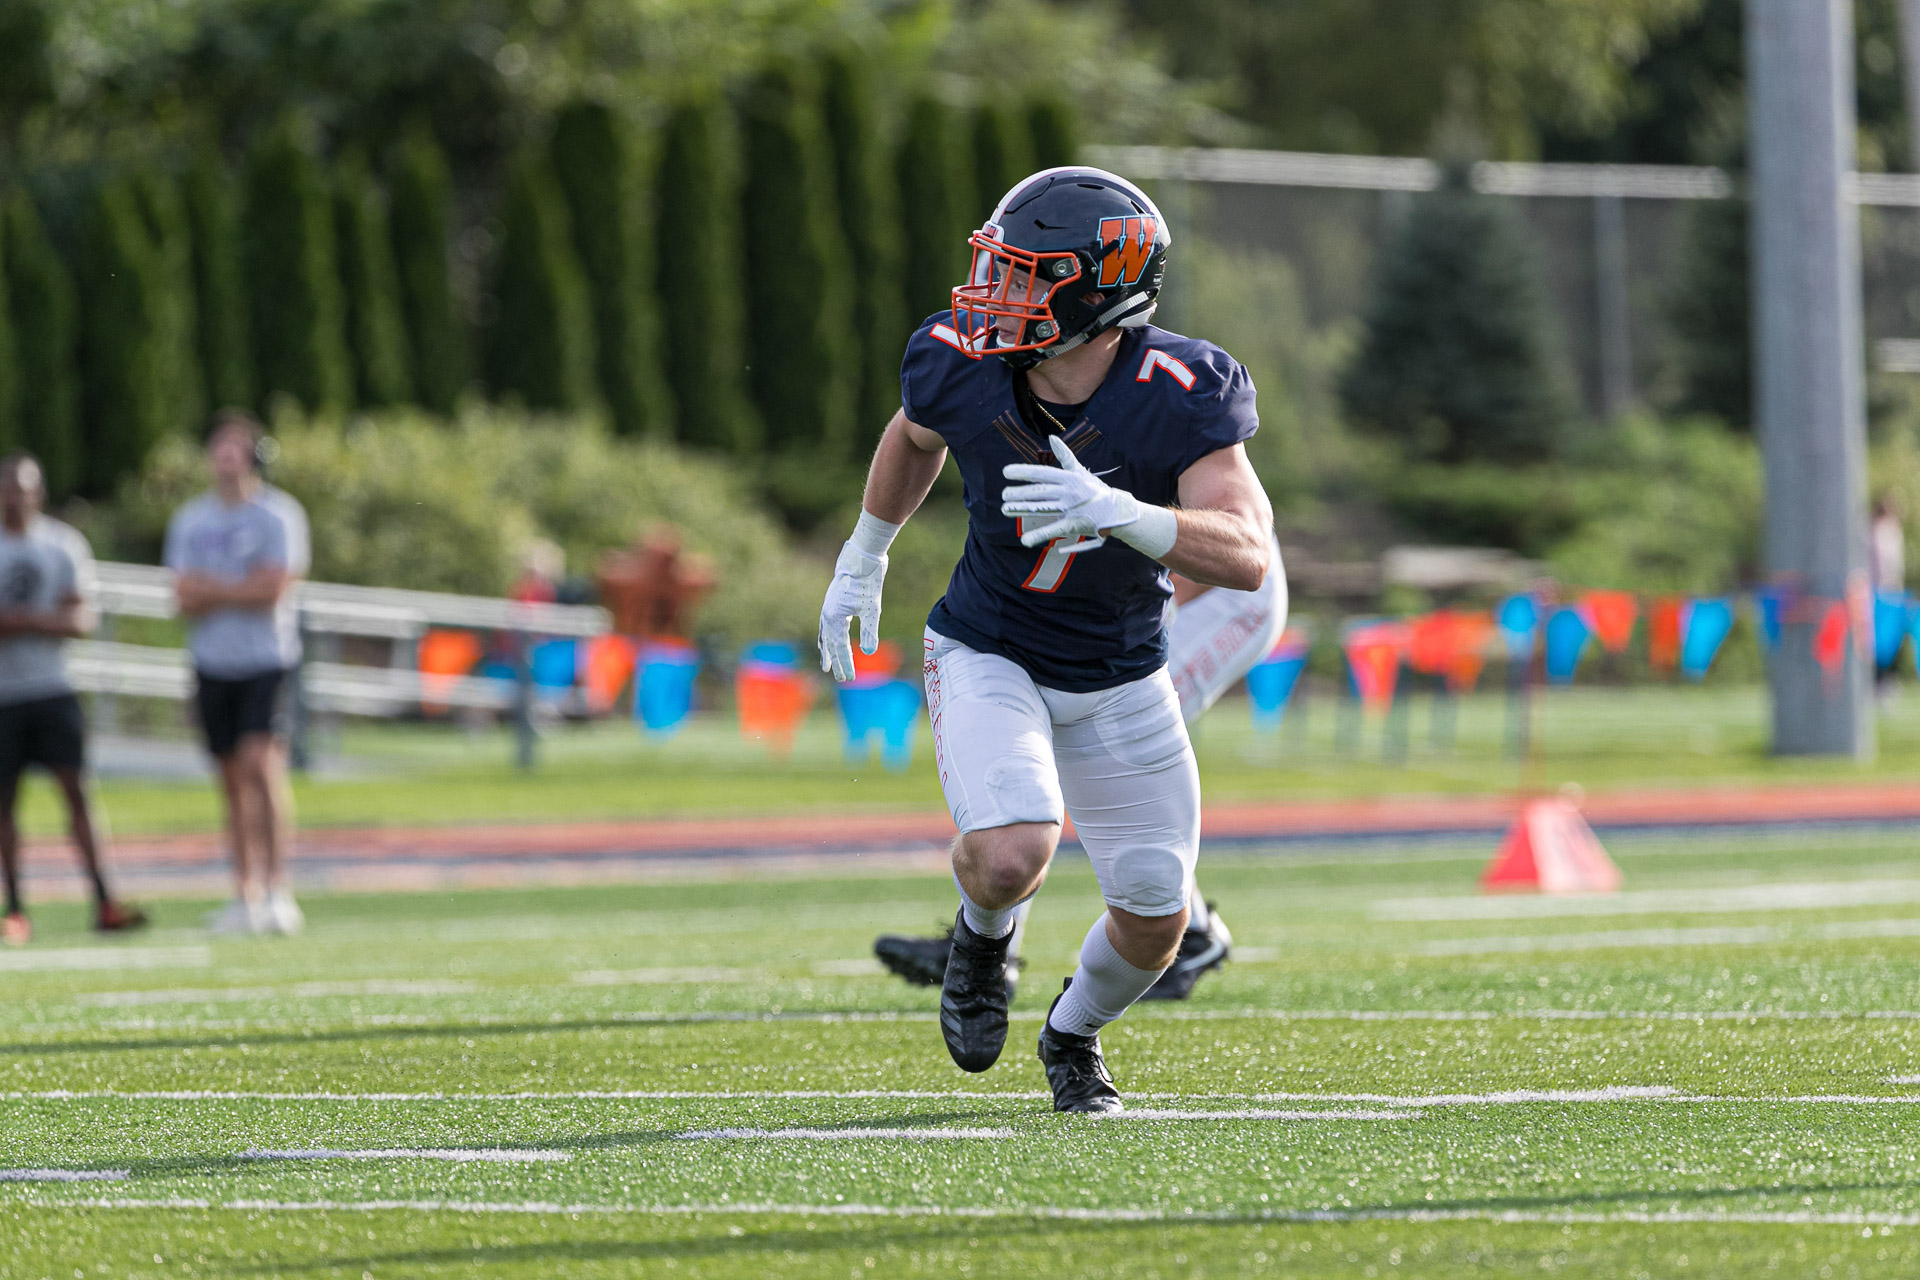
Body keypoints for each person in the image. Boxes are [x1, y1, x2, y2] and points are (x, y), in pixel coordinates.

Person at [818, 167, 1276, 1113]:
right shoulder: (959, 355)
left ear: (1099, 289)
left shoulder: (1182, 387)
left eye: (1027, 275)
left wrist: (1126, 514)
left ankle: (1072, 1036)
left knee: (1158, 912)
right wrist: (865, 555)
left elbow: (1249, 557)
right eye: (1000, 267)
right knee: (1011, 850)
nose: (999, 293)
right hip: (990, 647)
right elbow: (914, 436)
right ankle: (981, 942)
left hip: (1122, 672)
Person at [871, 551, 1285, 1001]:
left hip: (1217, 591)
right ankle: (989, 941)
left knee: (1100, 749)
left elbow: (1220, 524)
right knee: (1036, 746)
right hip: (1127, 598)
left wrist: (1149, 611)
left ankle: (994, 946)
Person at [164, 412, 311, 936]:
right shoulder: (191, 519)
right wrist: (234, 589)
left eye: (236, 449)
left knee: (261, 765)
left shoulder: (278, 515)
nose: (226, 459)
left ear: (255, 456)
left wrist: (217, 590)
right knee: (229, 780)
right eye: (218, 448)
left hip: (265, 660)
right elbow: (182, 597)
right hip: (213, 663)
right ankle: (243, 892)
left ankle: (279, 889)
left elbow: (273, 589)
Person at [0, 456, 147, 945]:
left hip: (52, 688)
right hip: (4, 695)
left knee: (78, 794)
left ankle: (105, 898)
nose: (15, 498)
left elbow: (80, 621)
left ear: (38, 492)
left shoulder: (62, 545)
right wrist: (43, 619)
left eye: (22, 489)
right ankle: (16, 907)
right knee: (5, 806)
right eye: (7, 488)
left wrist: (23, 621)